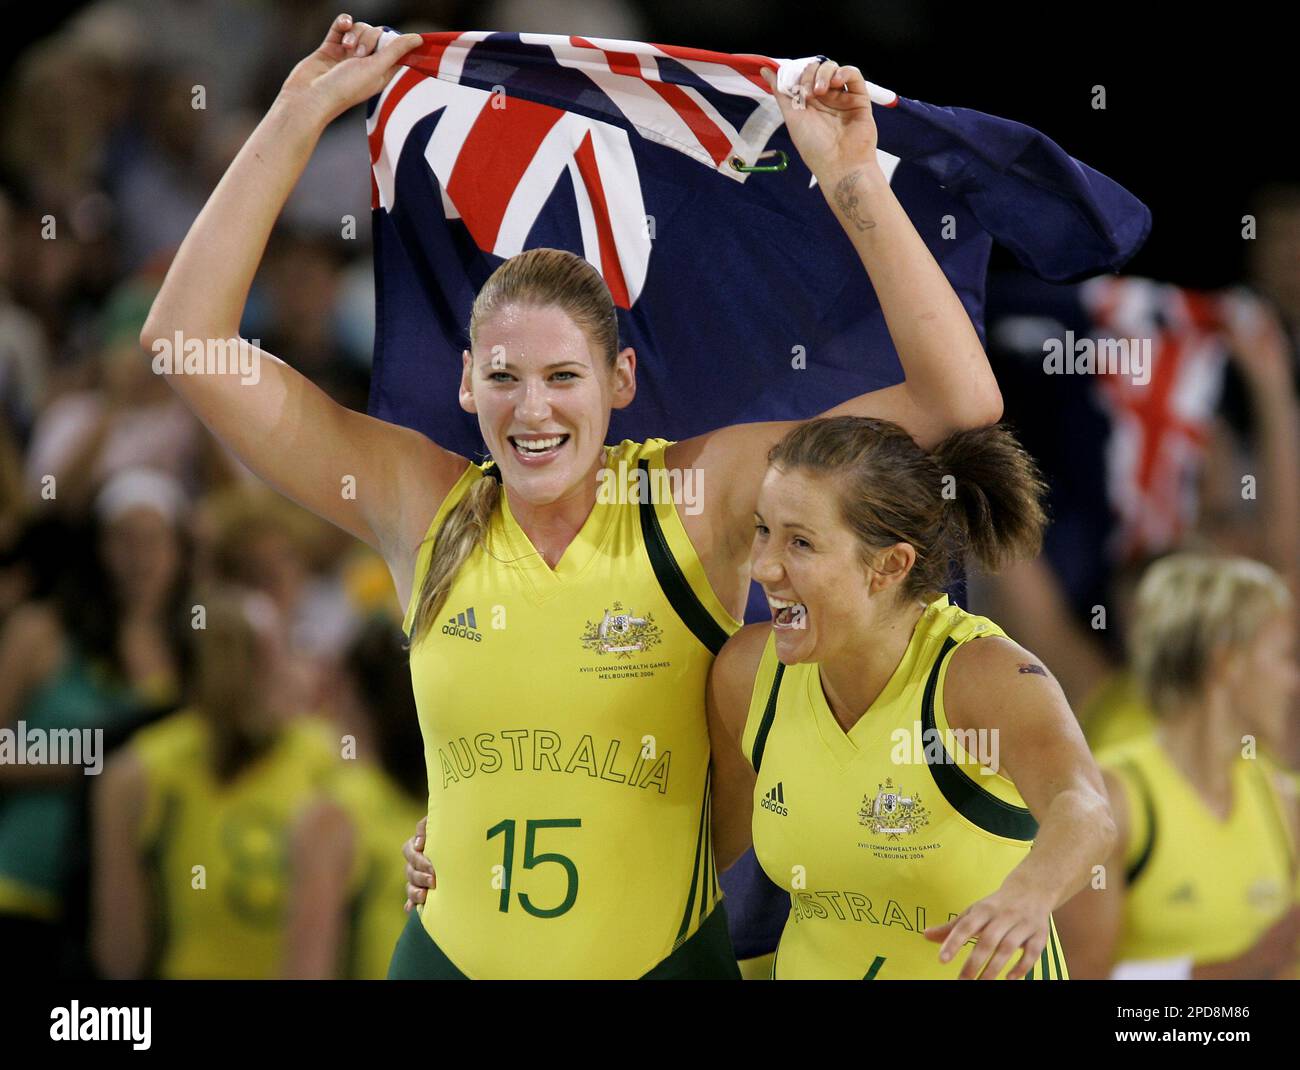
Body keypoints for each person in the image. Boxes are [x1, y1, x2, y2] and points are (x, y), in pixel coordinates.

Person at [143, 14, 1002, 977]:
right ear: (466, 383)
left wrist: (848, 174)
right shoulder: (419, 499)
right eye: (503, 378)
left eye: (564, 378)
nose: (532, 409)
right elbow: (184, 345)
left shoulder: (693, 494)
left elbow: (957, 398)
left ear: (620, 383)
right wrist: (301, 112)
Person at [697, 416, 1112, 978]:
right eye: (763, 529)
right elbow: (706, 855)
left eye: (800, 542)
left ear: (889, 565)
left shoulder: (981, 676)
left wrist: (1030, 894)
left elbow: (1084, 808)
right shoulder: (748, 674)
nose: (765, 565)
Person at [1054, 554, 1300, 979]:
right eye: (1285, 657)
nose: (1294, 680)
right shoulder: (1115, 800)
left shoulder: (1282, 798)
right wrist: (1238, 969)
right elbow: (1076, 974)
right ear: (1228, 664)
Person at [91, 586, 349, 979]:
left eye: (265, 659)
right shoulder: (141, 772)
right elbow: (120, 952)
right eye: (234, 659)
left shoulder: (326, 756)